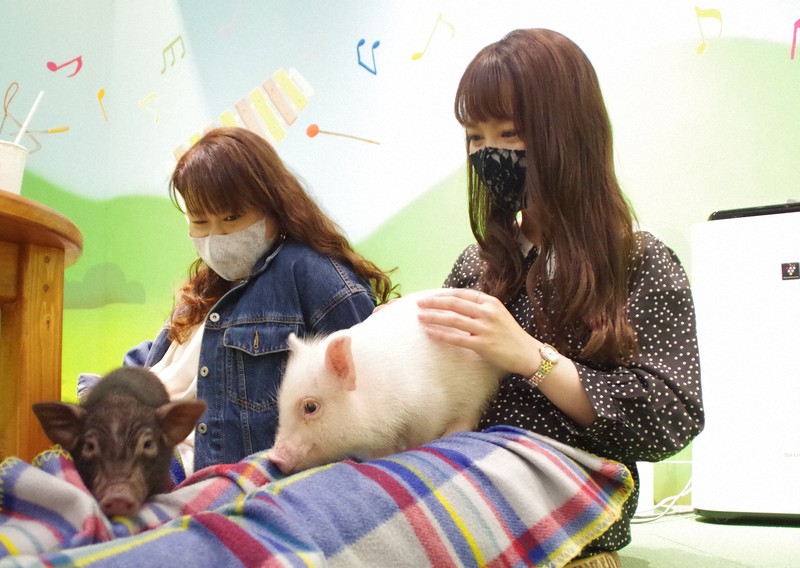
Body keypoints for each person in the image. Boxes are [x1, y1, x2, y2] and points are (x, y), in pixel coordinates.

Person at [415, 28, 704, 567]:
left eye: (509, 133)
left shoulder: (637, 262)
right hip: (472, 498)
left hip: (575, 511)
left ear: (568, 135)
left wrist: (530, 357)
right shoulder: (478, 265)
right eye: (476, 138)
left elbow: (670, 417)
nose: (488, 154)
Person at [120, 126, 394, 476]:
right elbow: (157, 368)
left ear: (272, 206)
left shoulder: (313, 276)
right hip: (136, 438)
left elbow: (371, 398)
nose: (215, 237)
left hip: (198, 472)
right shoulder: (201, 292)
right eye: (199, 221)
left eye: (231, 217)